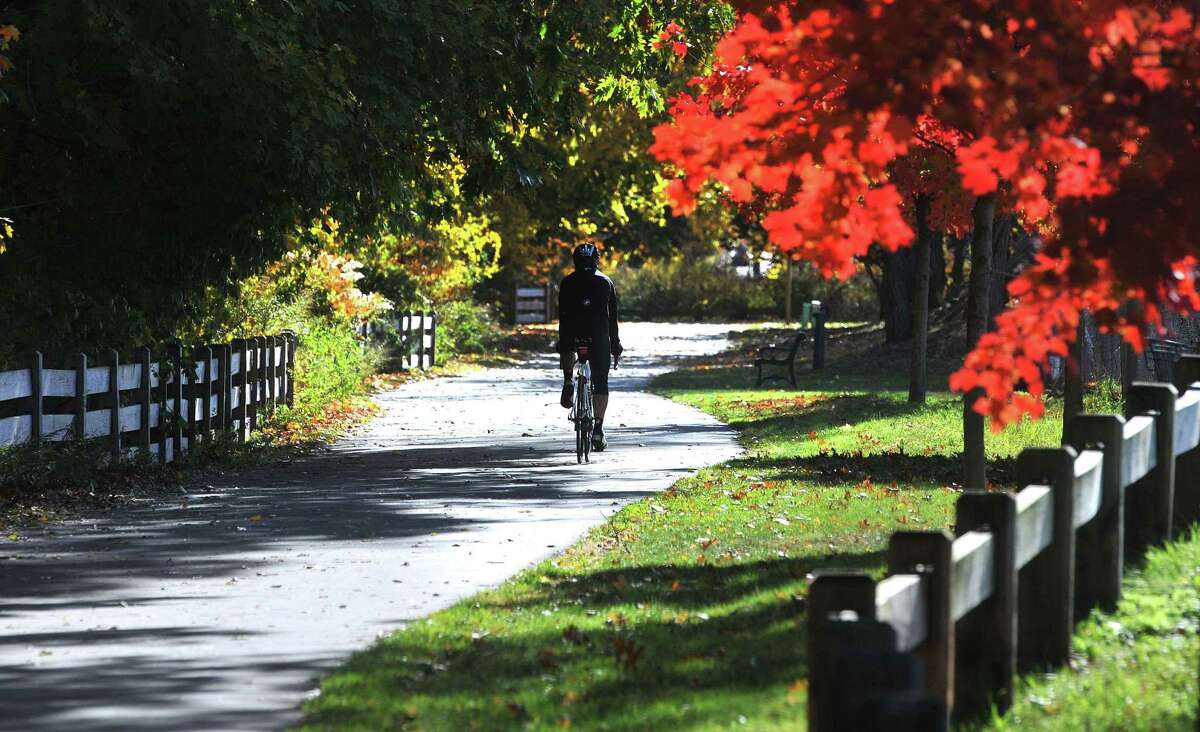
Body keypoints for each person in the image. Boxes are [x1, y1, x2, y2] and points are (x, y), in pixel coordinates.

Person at [556, 242, 622, 451]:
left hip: (573, 332)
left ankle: (568, 380)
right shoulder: (606, 282)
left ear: (575, 260)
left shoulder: (566, 283)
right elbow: (612, 319)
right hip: (598, 334)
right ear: (597, 260)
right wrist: (616, 345)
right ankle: (598, 430)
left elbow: (562, 316)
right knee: (600, 381)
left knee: (567, 345)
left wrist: (563, 340)